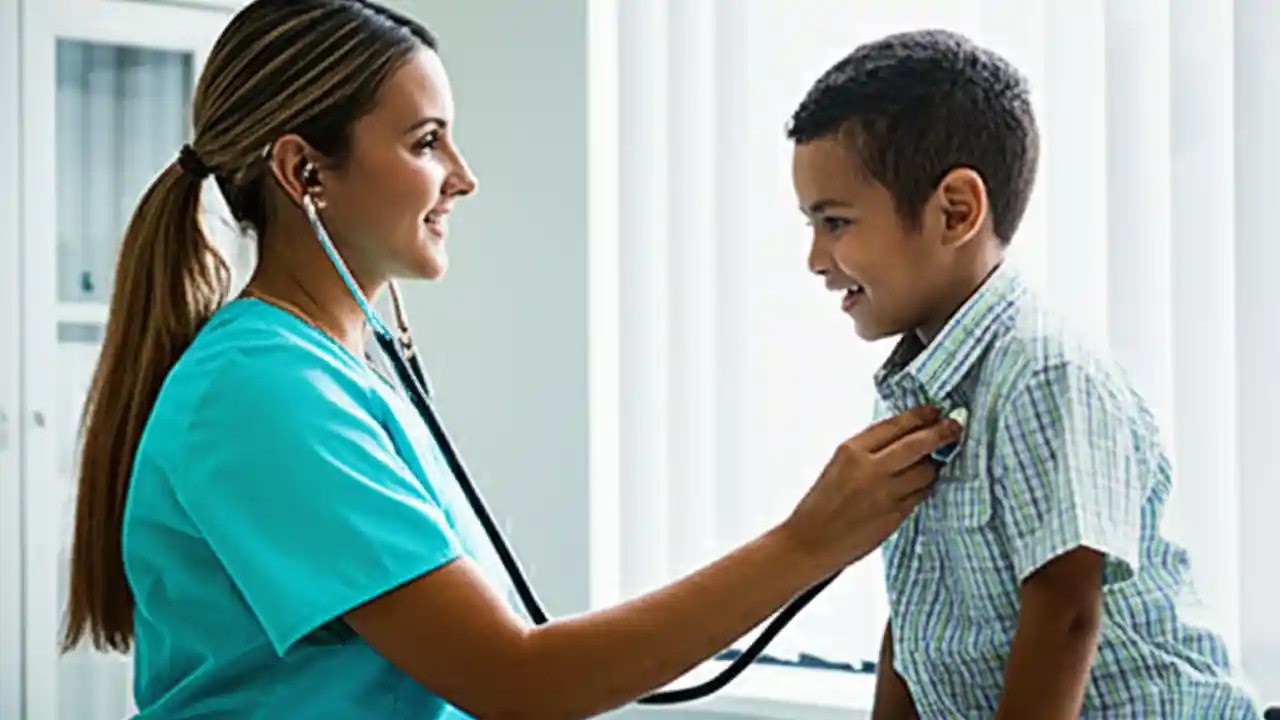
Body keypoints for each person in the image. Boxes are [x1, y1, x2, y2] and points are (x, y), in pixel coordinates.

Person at [59, 2, 962, 717]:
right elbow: (515, 683)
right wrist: (808, 541)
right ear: (306, 173)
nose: (463, 174)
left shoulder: (331, 372)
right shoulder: (258, 393)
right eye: (425, 141)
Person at [788, 28, 1262, 719]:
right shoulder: (919, 390)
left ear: (955, 211)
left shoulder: (1044, 375)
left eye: (835, 223)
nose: (815, 258)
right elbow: (918, 622)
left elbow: (1067, 613)